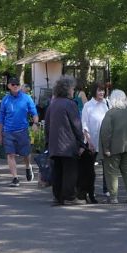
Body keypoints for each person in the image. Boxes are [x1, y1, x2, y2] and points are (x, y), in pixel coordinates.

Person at [44, 76, 85, 205]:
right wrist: (81, 143)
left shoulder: (52, 104)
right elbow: (76, 125)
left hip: (54, 145)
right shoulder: (70, 104)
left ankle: (57, 197)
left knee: (57, 171)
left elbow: (47, 125)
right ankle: (69, 197)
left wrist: (47, 142)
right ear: (67, 89)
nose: (73, 91)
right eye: (73, 89)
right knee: (70, 171)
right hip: (68, 144)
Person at [99, 89, 127, 203]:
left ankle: (113, 198)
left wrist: (106, 148)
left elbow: (105, 132)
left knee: (112, 172)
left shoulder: (111, 113)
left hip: (114, 148)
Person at [0, 81, 39, 186]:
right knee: (10, 154)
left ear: (20, 86)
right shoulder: (5, 100)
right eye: (13, 84)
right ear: (9, 86)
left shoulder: (26, 98)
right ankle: (15, 178)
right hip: (8, 131)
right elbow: (1, 118)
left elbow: (34, 112)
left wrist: (35, 123)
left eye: (17, 84)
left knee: (26, 153)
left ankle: (27, 166)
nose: (15, 86)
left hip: (22, 130)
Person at [80, 89, 107, 202]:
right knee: (89, 171)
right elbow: (84, 123)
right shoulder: (88, 106)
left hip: (104, 142)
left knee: (107, 168)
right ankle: (87, 193)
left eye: (103, 91)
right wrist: (89, 140)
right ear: (94, 92)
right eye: (99, 91)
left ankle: (108, 190)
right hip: (91, 143)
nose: (102, 93)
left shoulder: (106, 104)